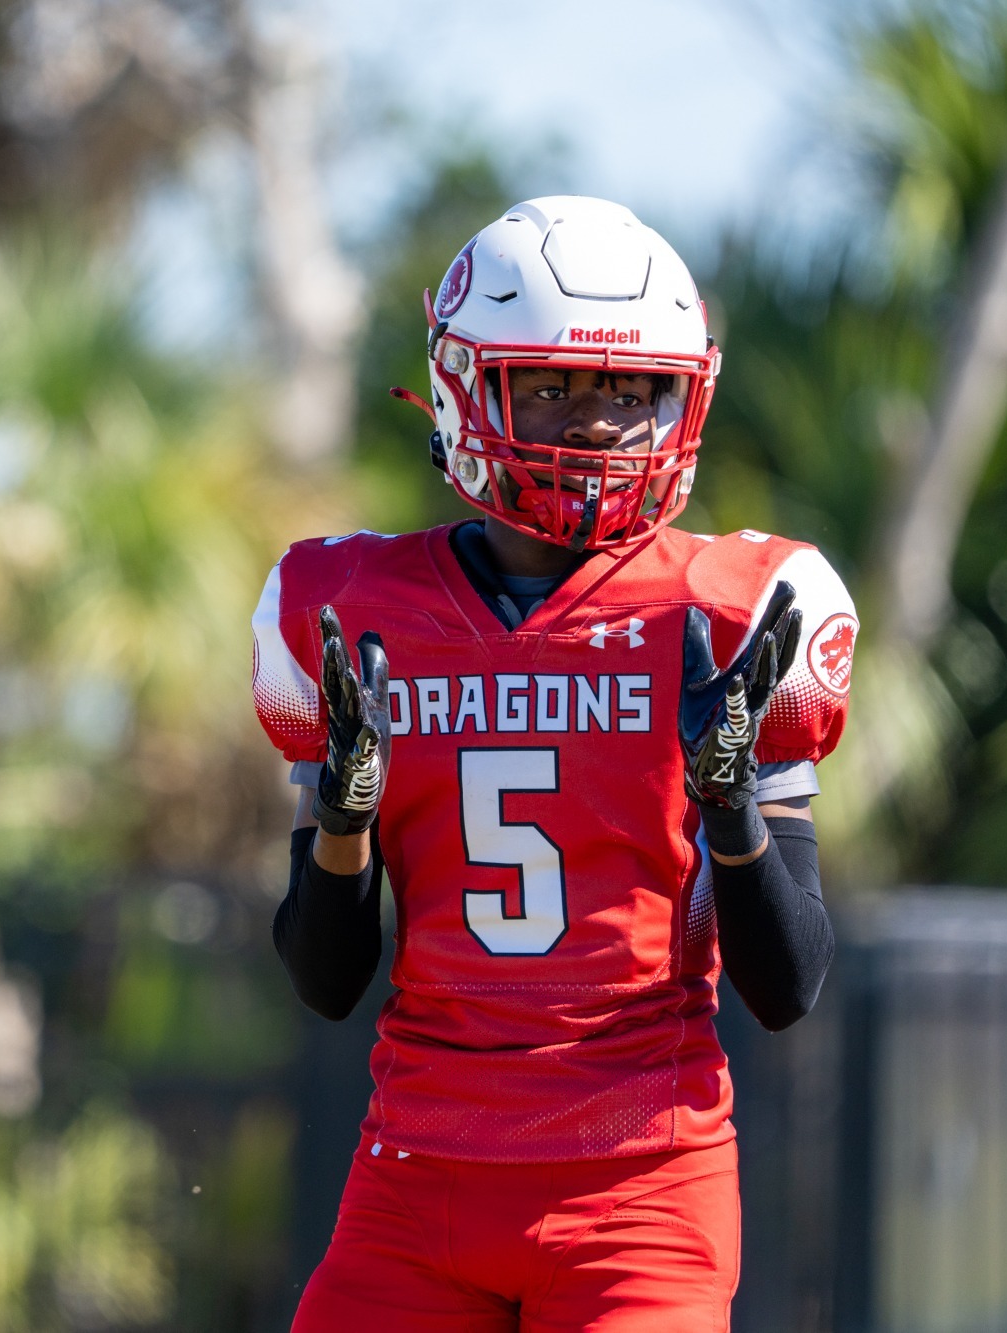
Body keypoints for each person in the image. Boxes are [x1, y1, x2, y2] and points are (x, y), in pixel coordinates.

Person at [250, 196, 858, 1332]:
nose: (596, 423)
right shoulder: (357, 611)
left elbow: (789, 984)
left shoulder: (730, 615)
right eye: (553, 383)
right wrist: (341, 824)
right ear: (464, 385)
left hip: (640, 1184)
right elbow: (324, 982)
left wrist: (727, 804)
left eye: (630, 390)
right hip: (415, 1178)